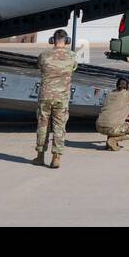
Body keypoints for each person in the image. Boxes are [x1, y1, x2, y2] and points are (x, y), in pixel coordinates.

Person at [34, 28, 79, 168]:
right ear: (67, 41)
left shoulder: (44, 55)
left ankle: (40, 156)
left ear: (52, 40)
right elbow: (73, 69)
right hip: (62, 97)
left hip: (45, 96)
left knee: (43, 126)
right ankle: (56, 158)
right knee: (59, 127)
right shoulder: (72, 56)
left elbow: (41, 68)